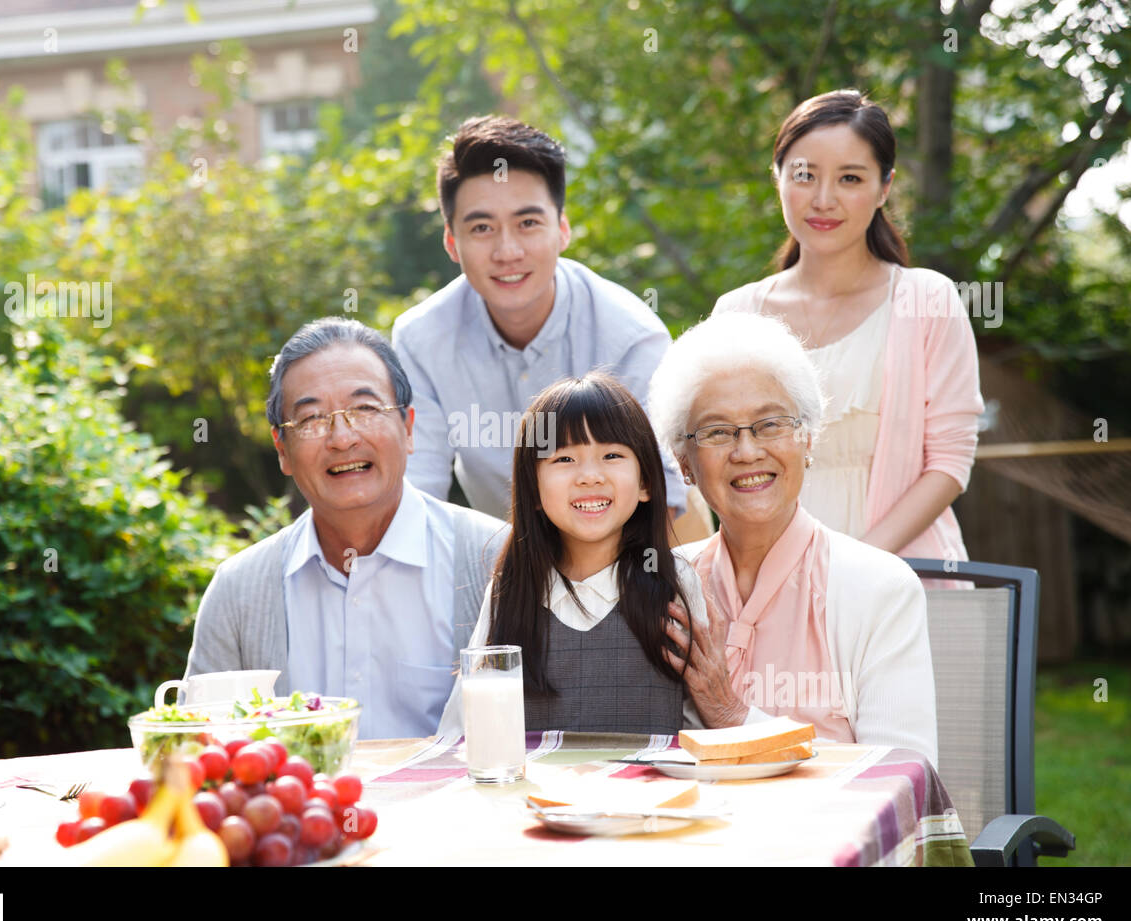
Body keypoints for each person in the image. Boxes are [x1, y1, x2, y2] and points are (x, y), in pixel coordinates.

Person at [182, 318, 506, 739]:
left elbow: (540, 738)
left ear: (409, 428)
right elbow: (200, 750)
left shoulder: (495, 560)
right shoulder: (239, 590)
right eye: (312, 419)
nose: (341, 438)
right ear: (282, 449)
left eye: (365, 409)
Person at [648, 310, 939, 767]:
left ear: (807, 438)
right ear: (684, 462)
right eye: (718, 432)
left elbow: (903, 774)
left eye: (770, 425)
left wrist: (733, 716)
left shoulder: (879, 587)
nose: (747, 452)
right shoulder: (662, 585)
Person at [391, 115, 705, 536]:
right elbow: (416, 493)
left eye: (528, 223)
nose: (507, 251)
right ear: (451, 242)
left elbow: (664, 493)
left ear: (562, 229)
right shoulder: (420, 339)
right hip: (499, 553)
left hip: (635, 543)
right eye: (481, 228)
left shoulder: (630, 334)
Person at [712, 90, 983, 568]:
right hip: (771, 578)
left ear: (884, 188)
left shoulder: (927, 300)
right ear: (777, 179)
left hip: (906, 576)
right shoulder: (737, 316)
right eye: (804, 175)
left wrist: (856, 568)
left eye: (850, 178)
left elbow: (949, 464)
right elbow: (713, 454)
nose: (823, 199)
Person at [437, 372, 711, 739]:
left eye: (611, 455)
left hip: (650, 795)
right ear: (533, 490)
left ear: (645, 482)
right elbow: (463, 730)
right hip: (532, 798)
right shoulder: (512, 591)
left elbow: (701, 728)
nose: (589, 476)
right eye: (564, 459)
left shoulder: (675, 582)